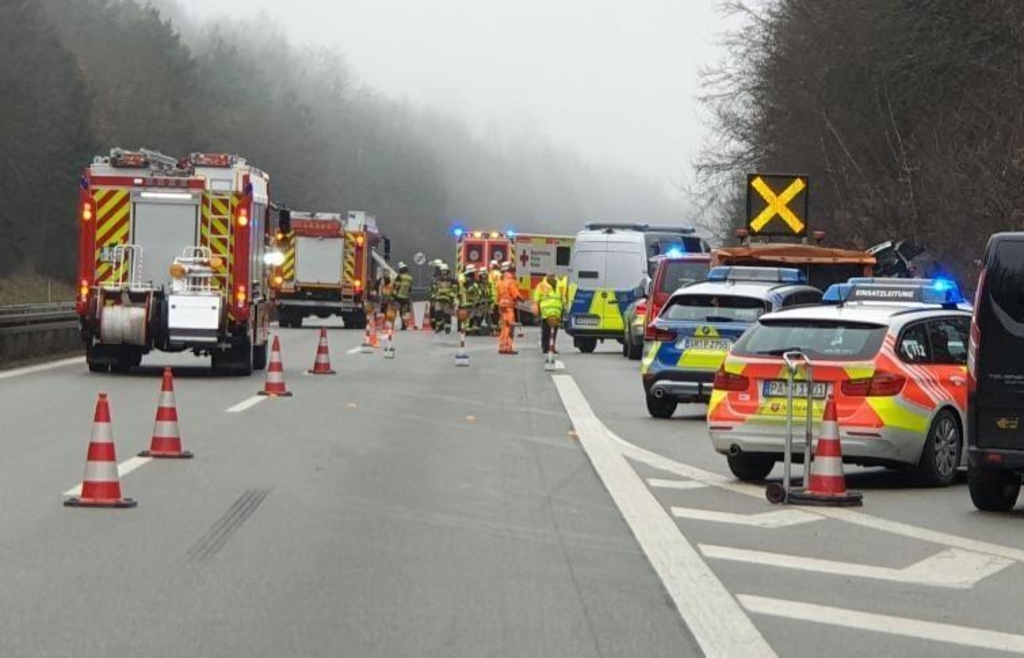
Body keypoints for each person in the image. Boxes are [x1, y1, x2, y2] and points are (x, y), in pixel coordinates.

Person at [533, 273, 563, 354]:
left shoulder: (560, 285)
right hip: (546, 313)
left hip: (556, 312)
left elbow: (563, 297)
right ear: (547, 276)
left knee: (554, 332)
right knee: (546, 331)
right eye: (550, 276)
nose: (552, 277)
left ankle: (552, 347)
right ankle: (545, 347)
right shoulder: (541, 286)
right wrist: (536, 308)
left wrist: (564, 308)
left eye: (553, 276)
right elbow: (536, 298)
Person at [498, 261, 521, 354]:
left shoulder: (501, 281)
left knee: (504, 327)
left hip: (502, 306)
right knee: (510, 327)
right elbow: (515, 295)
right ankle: (508, 347)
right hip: (509, 308)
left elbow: (498, 295)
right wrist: (522, 299)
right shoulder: (511, 281)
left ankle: (502, 346)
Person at [434, 263, 456, 334]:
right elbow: (435, 288)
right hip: (439, 298)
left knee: (447, 314)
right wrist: (434, 296)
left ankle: (447, 327)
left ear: (447, 271)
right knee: (437, 313)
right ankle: (440, 325)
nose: (444, 272)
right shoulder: (438, 279)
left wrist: (452, 296)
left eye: (445, 270)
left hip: (447, 299)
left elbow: (455, 289)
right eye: (442, 270)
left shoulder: (451, 280)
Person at [394, 262, 414, 330]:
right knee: (404, 312)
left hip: (399, 296)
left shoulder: (399, 277)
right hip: (406, 297)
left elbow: (396, 287)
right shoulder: (410, 278)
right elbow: (410, 289)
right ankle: (404, 325)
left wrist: (393, 296)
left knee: (396, 311)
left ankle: (393, 325)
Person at [459, 265, 478, 334]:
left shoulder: (466, 278)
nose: (474, 273)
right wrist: (475, 286)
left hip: (468, 299)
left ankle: (467, 327)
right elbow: (469, 289)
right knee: (469, 313)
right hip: (467, 299)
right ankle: (466, 328)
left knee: (470, 313)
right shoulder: (467, 279)